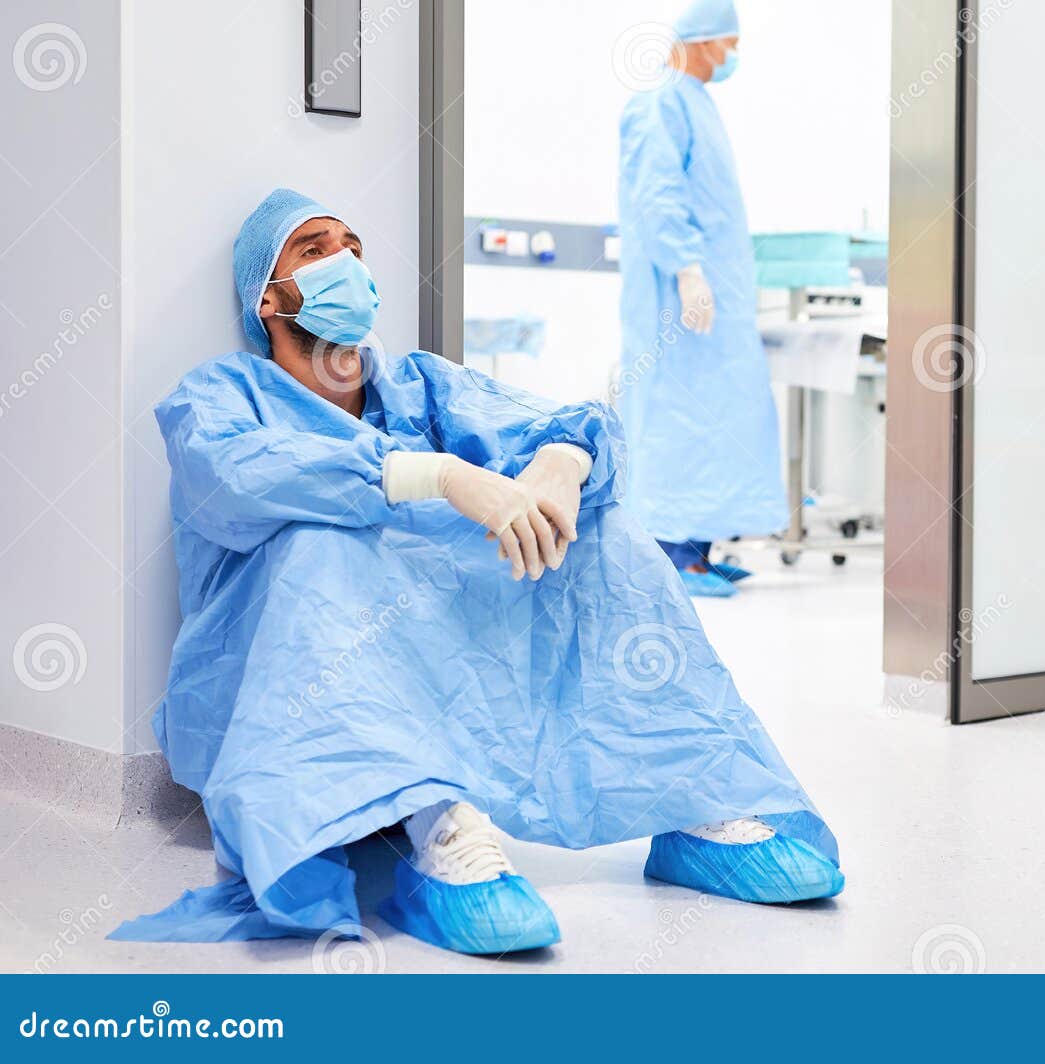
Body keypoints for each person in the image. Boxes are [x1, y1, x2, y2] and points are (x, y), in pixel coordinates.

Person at [109, 188, 842, 957]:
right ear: (268, 295)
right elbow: (240, 475)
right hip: (287, 677)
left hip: (438, 649)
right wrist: (432, 477)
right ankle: (440, 829)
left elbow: (548, 423)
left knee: (600, 529)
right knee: (322, 543)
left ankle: (697, 800)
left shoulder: (419, 385)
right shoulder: (223, 396)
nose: (345, 262)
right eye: (315, 251)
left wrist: (563, 461)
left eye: (352, 245)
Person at [617, 0, 784, 597]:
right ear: (704, 40)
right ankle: (672, 555)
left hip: (716, 298)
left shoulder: (698, 105)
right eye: (729, 43)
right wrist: (686, 268)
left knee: (718, 417)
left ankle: (702, 551)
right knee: (680, 416)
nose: (732, 55)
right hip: (675, 296)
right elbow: (658, 195)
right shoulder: (661, 102)